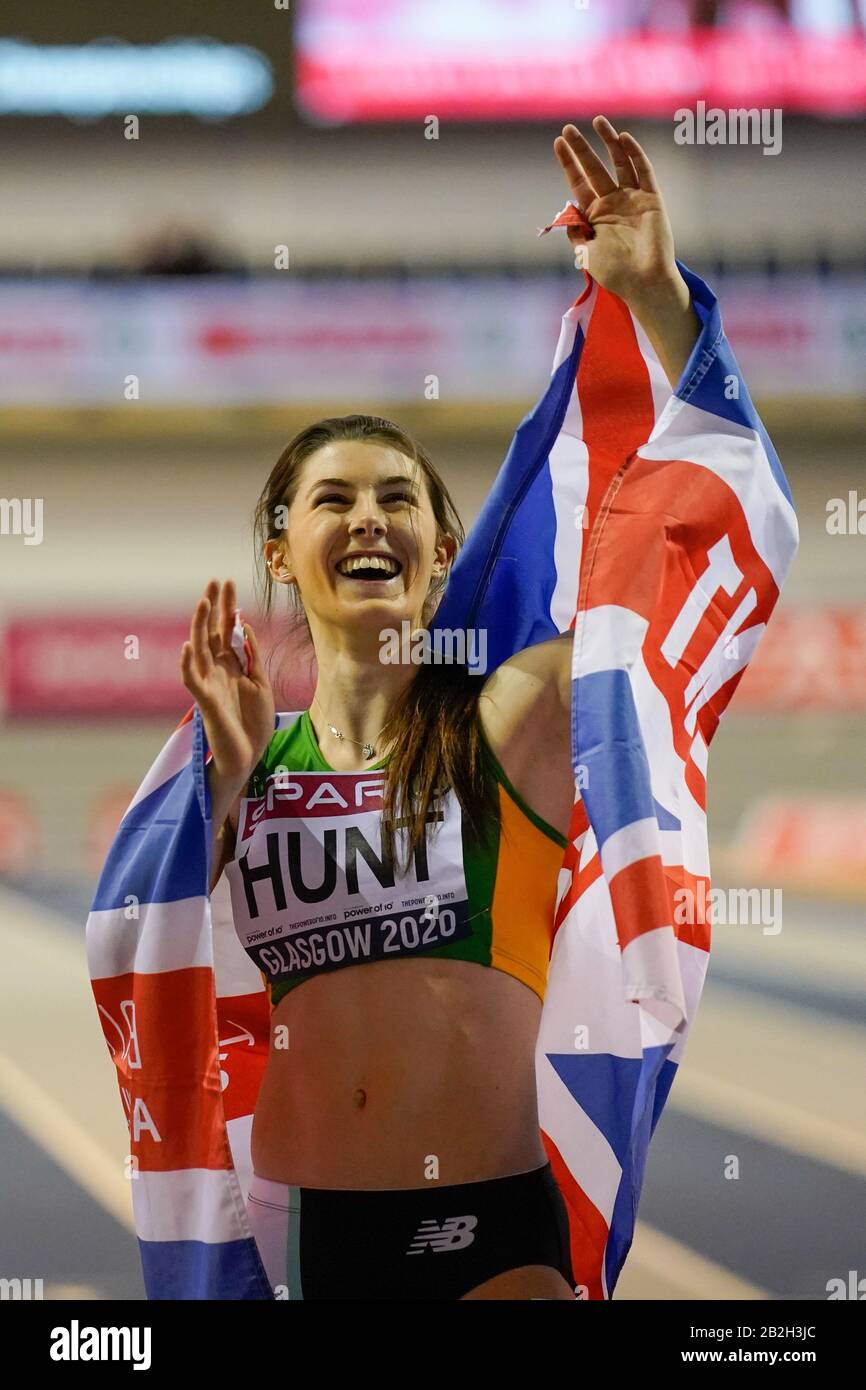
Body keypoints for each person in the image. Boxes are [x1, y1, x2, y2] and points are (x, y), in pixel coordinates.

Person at [177, 116, 702, 1302]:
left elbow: (668, 545)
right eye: (332, 499)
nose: (368, 517)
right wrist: (218, 773)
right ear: (281, 544)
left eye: (397, 498)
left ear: (440, 546)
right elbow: (163, 966)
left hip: (487, 1228)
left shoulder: (512, 714)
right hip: (299, 1232)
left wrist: (653, 297)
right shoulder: (241, 759)